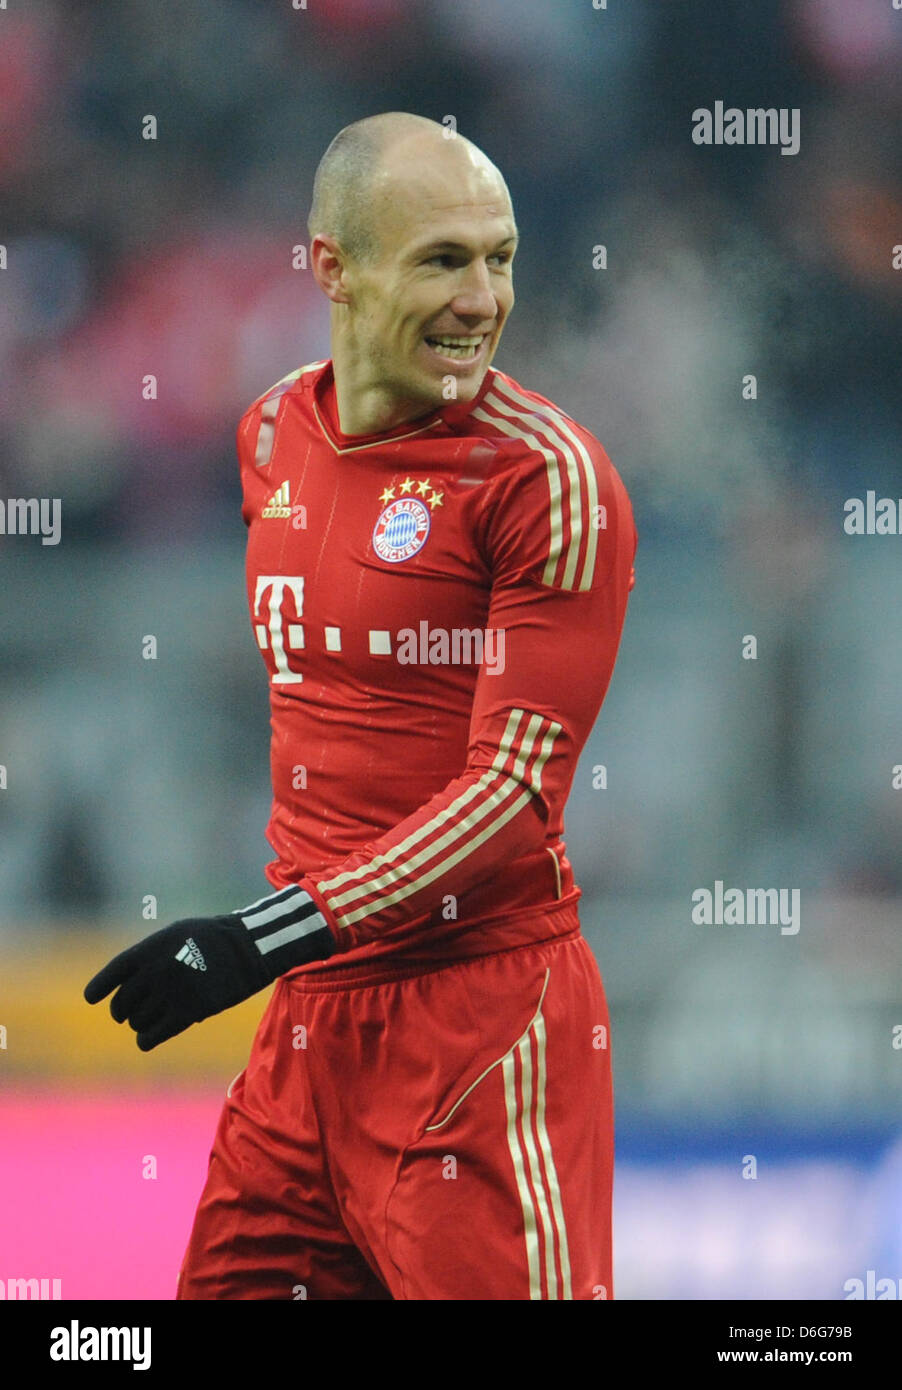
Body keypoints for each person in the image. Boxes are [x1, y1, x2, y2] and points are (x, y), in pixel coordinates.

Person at [84, 112, 637, 1301]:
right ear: (332, 267)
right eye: (443, 259)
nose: (481, 298)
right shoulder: (273, 431)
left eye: (500, 258)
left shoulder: (548, 480)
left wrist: (256, 934)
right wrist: (283, 950)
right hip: (308, 1037)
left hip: (479, 1025)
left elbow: (509, 797)